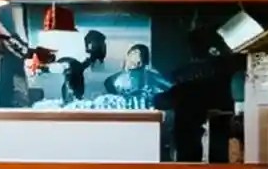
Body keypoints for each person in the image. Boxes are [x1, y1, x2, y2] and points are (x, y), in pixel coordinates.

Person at [154, 28, 244, 161]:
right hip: (225, 155)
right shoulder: (234, 71)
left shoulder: (185, 80)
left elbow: (161, 101)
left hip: (191, 159)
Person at [103, 44, 171, 109]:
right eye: (134, 54)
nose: (137, 60)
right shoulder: (113, 80)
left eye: (140, 56)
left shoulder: (153, 77)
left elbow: (169, 88)